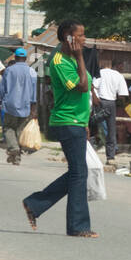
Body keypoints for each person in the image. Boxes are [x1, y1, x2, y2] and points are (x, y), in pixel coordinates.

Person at [22, 21, 96, 237]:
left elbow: (88, 87)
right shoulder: (59, 60)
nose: (83, 39)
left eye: (84, 35)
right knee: (78, 173)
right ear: (67, 37)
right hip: (66, 121)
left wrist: (85, 123)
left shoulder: (71, 57)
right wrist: (81, 57)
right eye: (79, 35)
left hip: (77, 122)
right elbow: (82, 86)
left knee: (77, 172)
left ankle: (35, 204)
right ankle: (78, 226)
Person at [0, 48, 38, 165]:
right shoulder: (32, 72)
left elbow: (2, 89)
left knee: (8, 128)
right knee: (19, 130)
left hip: (10, 104)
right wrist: (34, 108)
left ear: (15, 57)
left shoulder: (9, 70)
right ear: (25, 58)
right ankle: (16, 156)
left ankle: (14, 150)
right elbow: (34, 92)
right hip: (25, 105)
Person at [92, 57, 129, 164]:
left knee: (94, 125)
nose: (122, 69)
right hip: (111, 103)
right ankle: (110, 156)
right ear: (117, 66)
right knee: (111, 130)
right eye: (122, 66)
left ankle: (88, 150)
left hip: (98, 101)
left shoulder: (100, 72)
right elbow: (122, 95)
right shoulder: (119, 76)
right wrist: (120, 104)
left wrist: (95, 98)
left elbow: (93, 86)